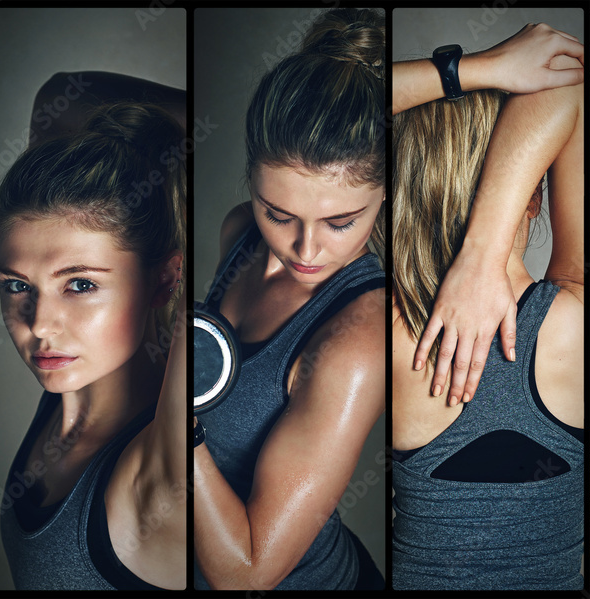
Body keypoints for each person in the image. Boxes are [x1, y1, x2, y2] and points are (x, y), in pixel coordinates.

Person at [192, 8, 386, 590]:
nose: (305, 248)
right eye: (277, 213)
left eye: (341, 221)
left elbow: (247, 572)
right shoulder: (237, 234)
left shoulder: (359, 339)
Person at [391, 25, 583, 590]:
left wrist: (471, 69)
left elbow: (315, 110)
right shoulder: (572, 325)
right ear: (536, 193)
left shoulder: (383, 324)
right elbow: (567, 80)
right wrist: (486, 249)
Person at [0, 102, 187, 590]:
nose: (39, 325)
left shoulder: (162, 465)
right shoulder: (68, 386)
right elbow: (54, 94)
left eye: (80, 285)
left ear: (165, 279)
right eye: (17, 285)